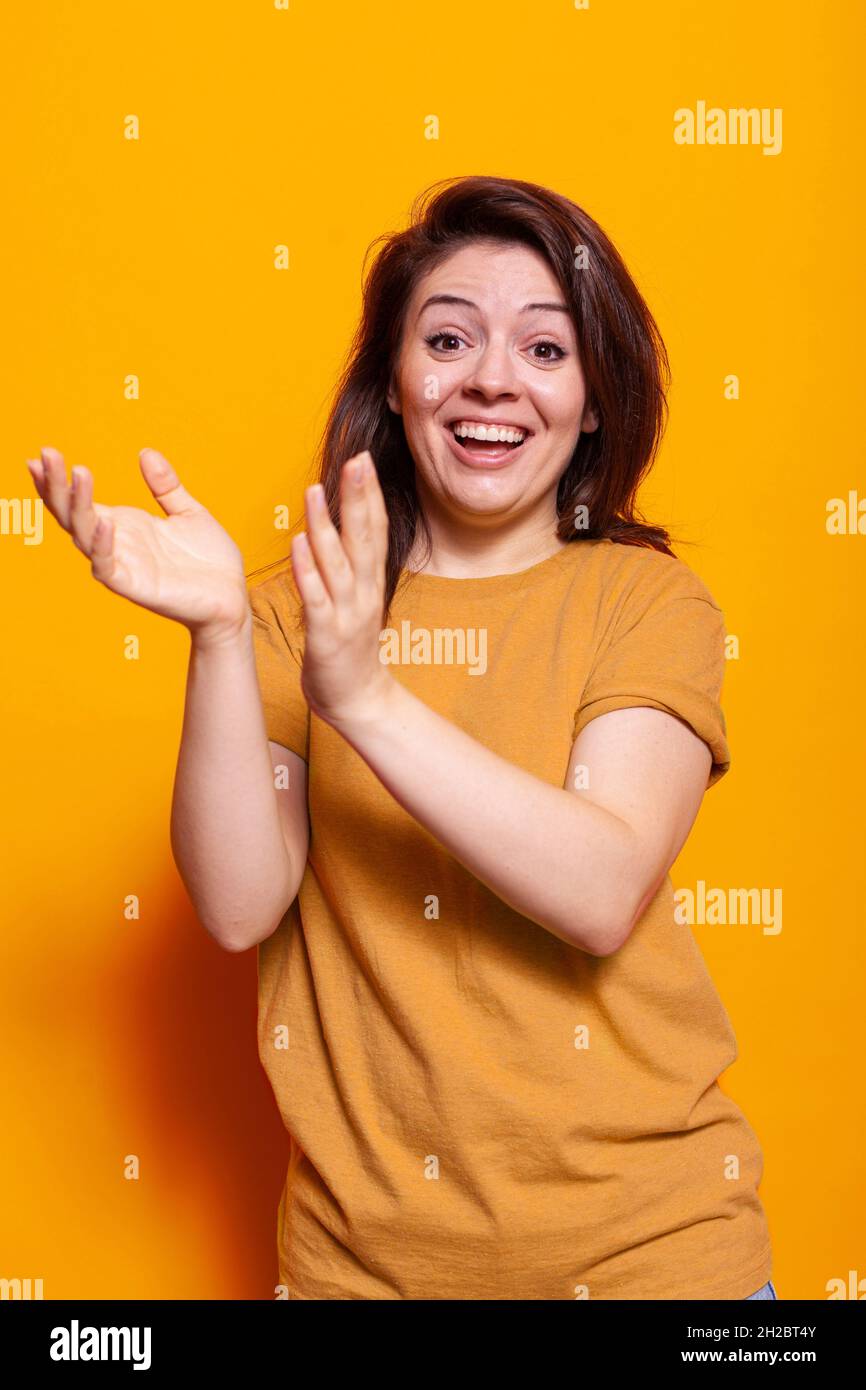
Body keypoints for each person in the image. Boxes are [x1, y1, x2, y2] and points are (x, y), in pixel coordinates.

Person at [27, 175, 775, 1301]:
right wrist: (227, 633)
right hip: (363, 1276)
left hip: (654, 1266)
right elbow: (239, 904)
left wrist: (365, 697)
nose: (489, 380)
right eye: (447, 338)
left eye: (543, 350)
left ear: (594, 399)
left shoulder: (645, 603)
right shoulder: (298, 606)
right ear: (394, 374)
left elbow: (602, 882)